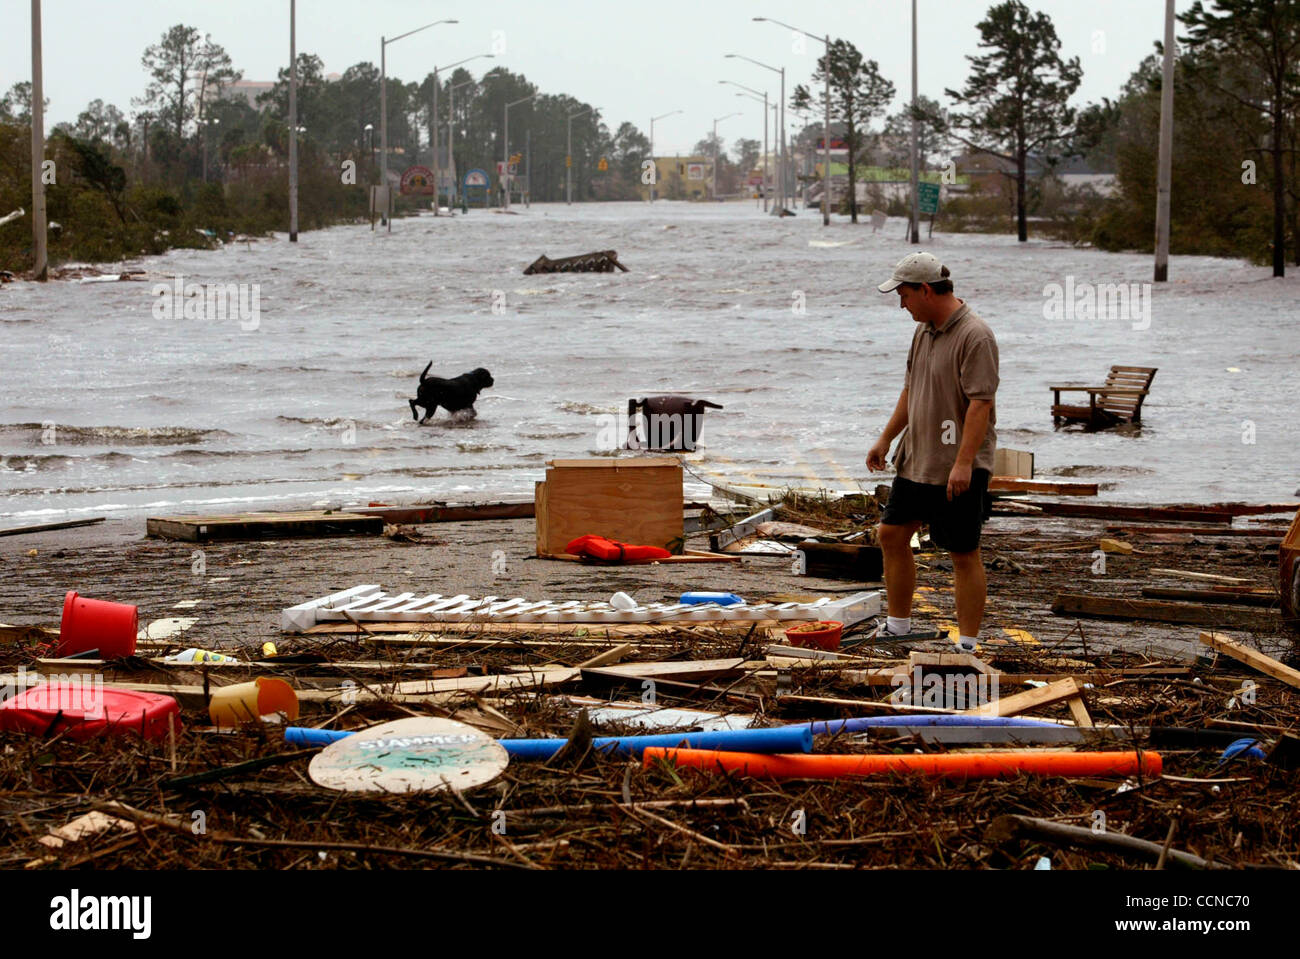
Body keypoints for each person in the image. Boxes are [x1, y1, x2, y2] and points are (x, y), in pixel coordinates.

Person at [865, 253, 999, 653]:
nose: (901, 304)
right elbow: (911, 389)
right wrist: (886, 438)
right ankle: (899, 626)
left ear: (925, 290)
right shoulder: (923, 331)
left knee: (962, 552)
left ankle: (968, 645)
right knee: (891, 535)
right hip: (917, 457)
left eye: (904, 295)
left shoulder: (976, 335)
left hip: (957, 467)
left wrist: (963, 463)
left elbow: (980, 404)